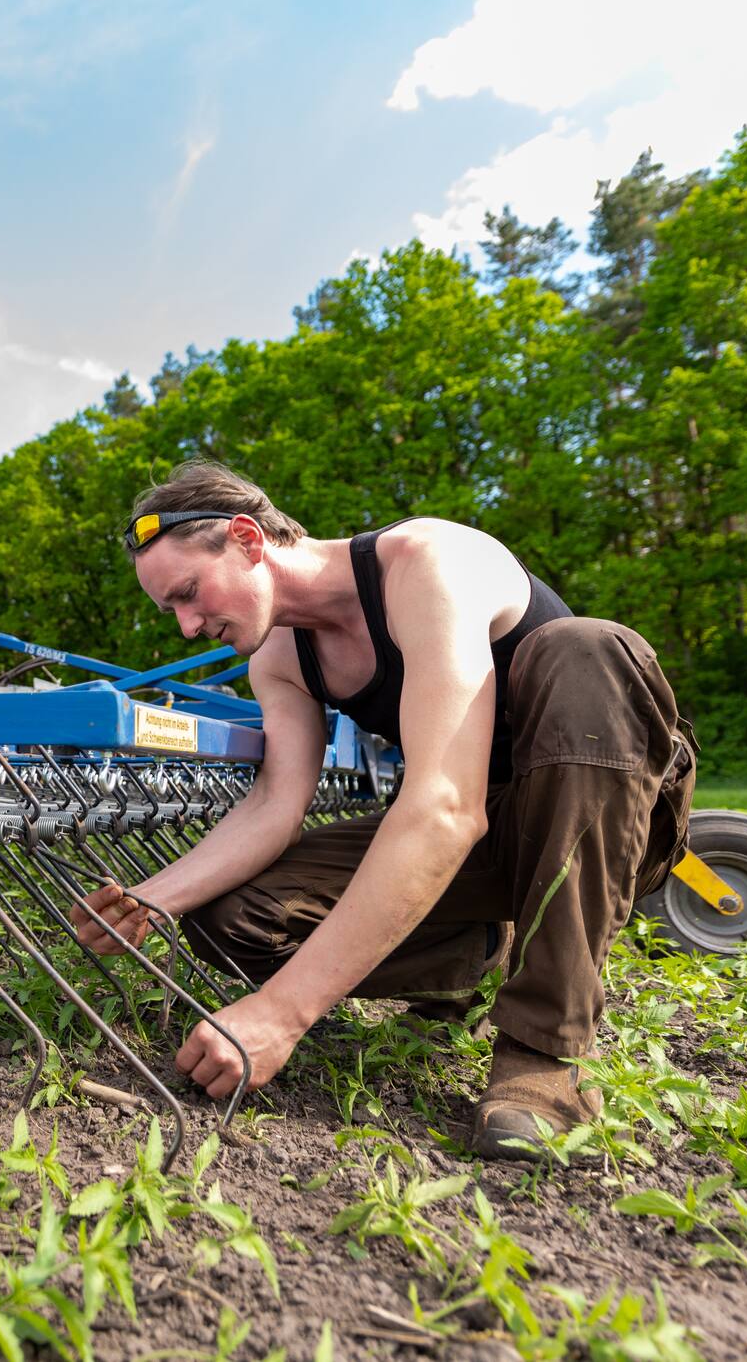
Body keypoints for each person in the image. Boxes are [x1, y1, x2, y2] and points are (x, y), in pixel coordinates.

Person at [75, 460, 694, 1158]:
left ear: (248, 540)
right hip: (490, 839)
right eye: (172, 611)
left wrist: (281, 1013)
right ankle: (479, 950)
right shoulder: (280, 657)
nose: (187, 626)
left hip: (610, 814)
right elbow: (277, 806)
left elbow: (445, 806)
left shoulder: (426, 565)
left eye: (188, 593)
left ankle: (545, 1052)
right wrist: (155, 899)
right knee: (231, 919)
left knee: (584, 647)